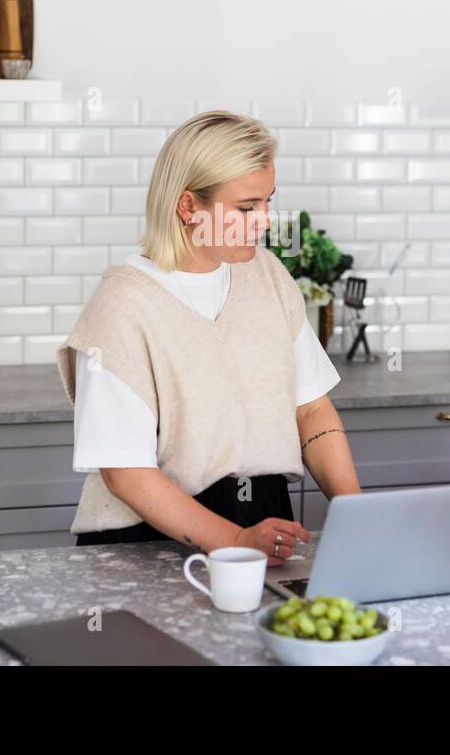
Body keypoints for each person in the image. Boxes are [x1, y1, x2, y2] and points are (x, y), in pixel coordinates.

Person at [56, 110, 361, 565]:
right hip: (149, 545)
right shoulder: (122, 305)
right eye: (246, 208)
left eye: (267, 203)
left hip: (266, 524)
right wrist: (235, 541)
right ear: (188, 206)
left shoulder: (269, 277)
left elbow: (312, 410)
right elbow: (126, 474)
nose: (264, 222)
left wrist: (356, 514)